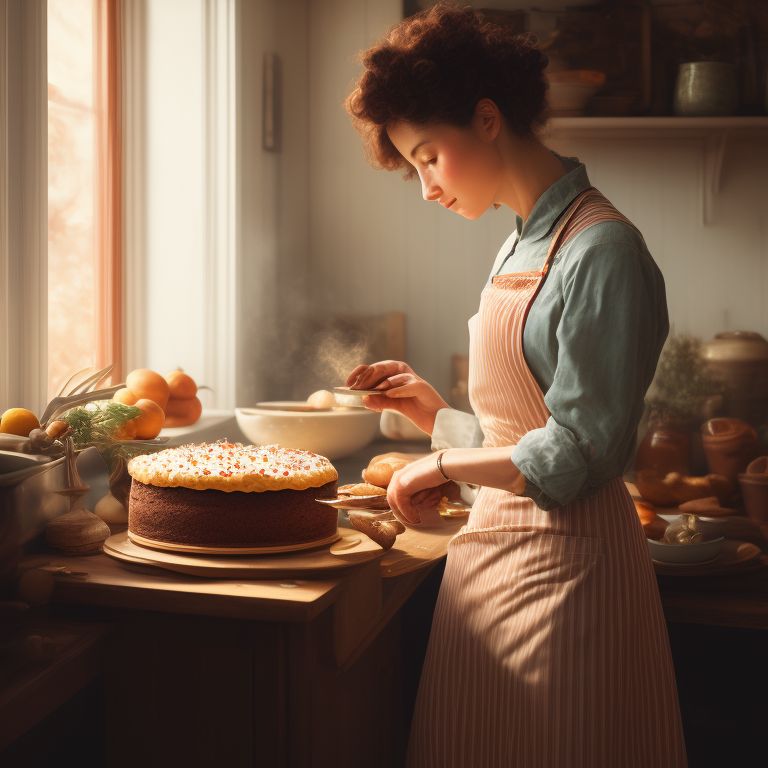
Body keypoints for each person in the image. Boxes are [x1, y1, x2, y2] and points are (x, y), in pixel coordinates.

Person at [343, 4, 687, 767]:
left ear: (489, 118)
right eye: (414, 165)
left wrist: (437, 467)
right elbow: (518, 435)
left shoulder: (603, 250)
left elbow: (578, 451)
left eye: (429, 156)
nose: (426, 187)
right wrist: (437, 416)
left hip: (570, 580)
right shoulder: (518, 240)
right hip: (490, 569)